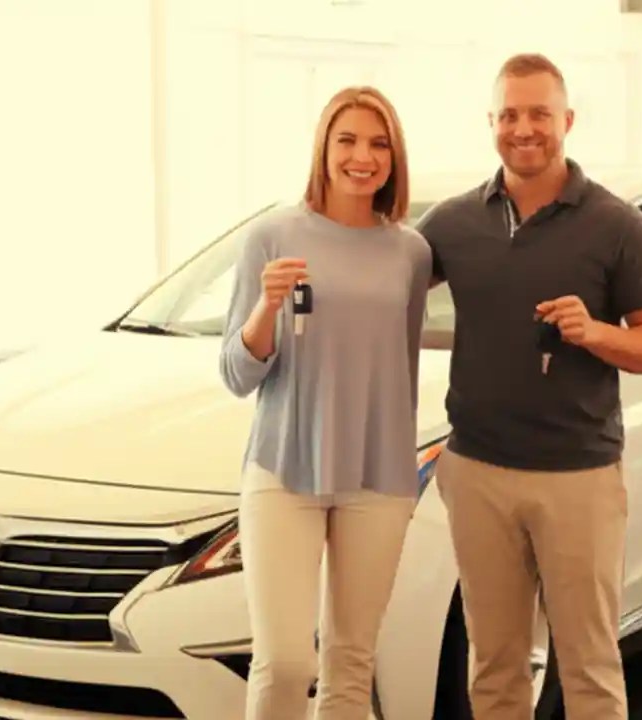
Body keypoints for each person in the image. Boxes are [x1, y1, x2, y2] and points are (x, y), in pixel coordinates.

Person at [415, 53, 642, 719]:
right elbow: (377, 286)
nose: (524, 128)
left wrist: (595, 333)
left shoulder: (615, 224)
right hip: (477, 474)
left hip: (578, 479)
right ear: (491, 123)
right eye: (510, 114)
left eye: (539, 113)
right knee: (494, 666)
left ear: (567, 120)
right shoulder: (453, 223)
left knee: (588, 667)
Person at [218, 85, 431, 720]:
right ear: (323, 147)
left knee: (350, 662)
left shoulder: (411, 252)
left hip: (379, 476)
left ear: (394, 157)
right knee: (284, 663)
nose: (362, 156)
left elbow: (403, 365)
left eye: (378, 143)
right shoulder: (272, 234)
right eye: (348, 140)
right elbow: (236, 373)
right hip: (284, 467)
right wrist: (266, 308)